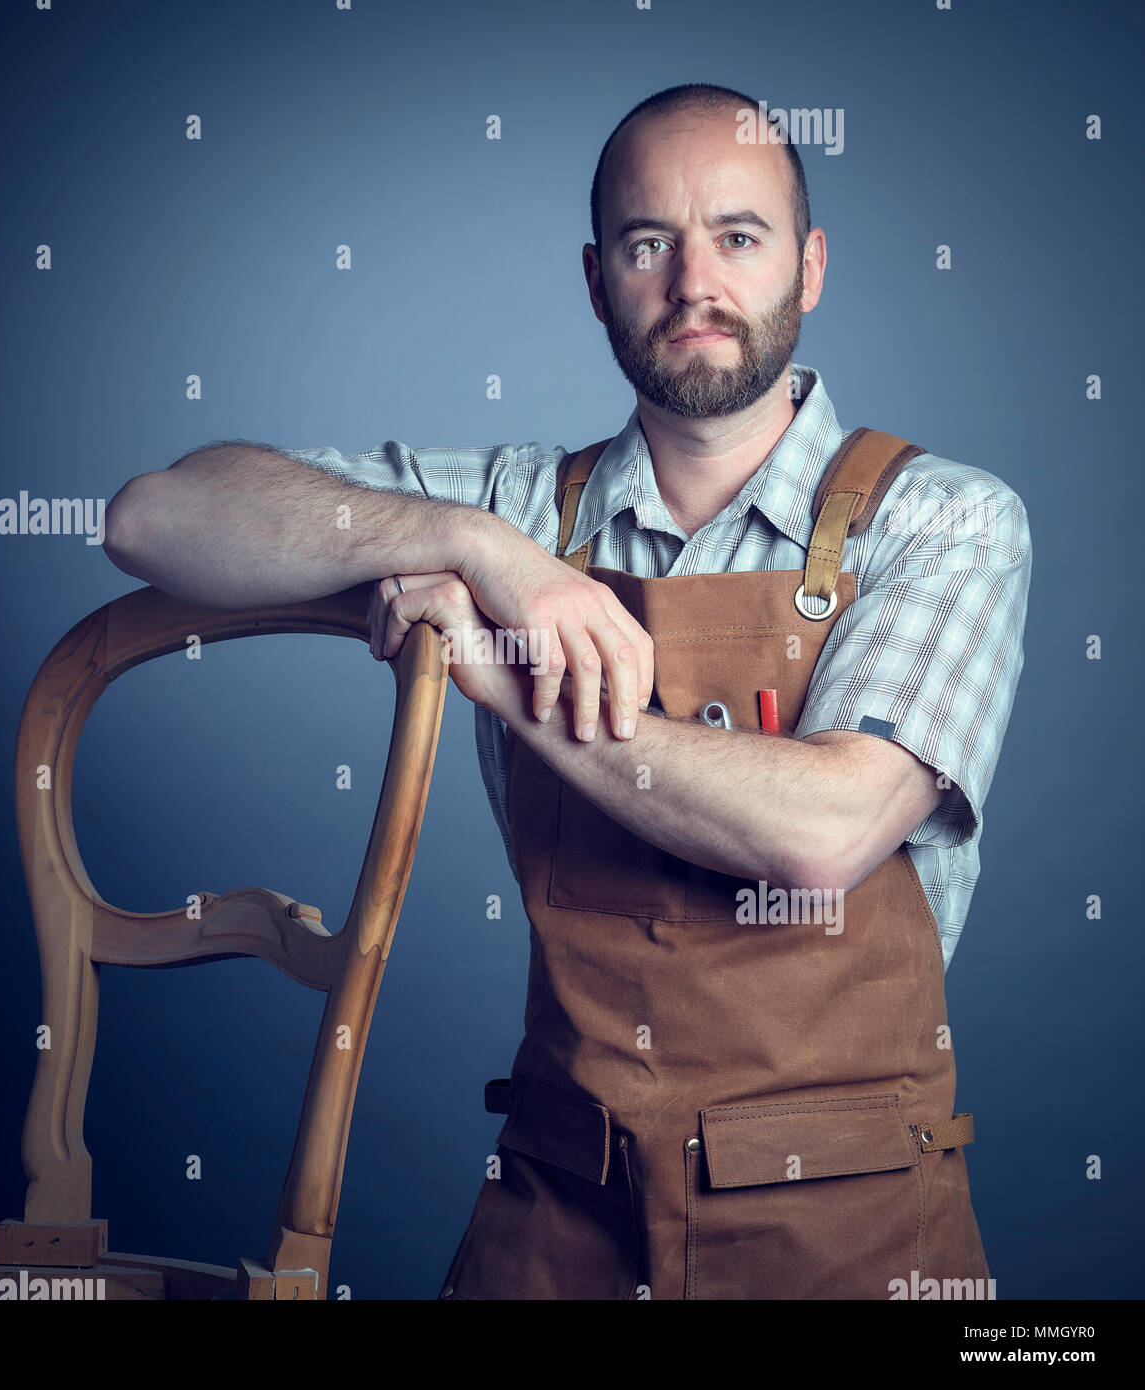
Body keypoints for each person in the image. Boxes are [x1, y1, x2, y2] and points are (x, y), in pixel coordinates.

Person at [103, 83, 1031, 1300]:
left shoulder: (943, 518)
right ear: (597, 280)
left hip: (848, 1227)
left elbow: (825, 830)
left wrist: (510, 674)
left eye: (738, 237)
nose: (694, 281)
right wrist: (481, 548)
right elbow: (155, 516)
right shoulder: (523, 506)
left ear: (808, 269)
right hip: (559, 1205)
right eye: (651, 244)